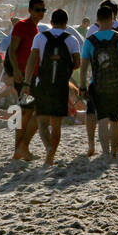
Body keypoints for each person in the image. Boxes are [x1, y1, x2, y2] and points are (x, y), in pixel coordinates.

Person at [80, 1, 118, 160]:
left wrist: (82, 86)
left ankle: (106, 152)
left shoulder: (90, 40)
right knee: (117, 119)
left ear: (97, 20)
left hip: (98, 85)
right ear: (112, 19)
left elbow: (84, 66)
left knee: (102, 119)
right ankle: (116, 150)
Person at [19, 9, 81, 166]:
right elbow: (77, 63)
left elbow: (32, 61)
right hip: (61, 86)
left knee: (42, 122)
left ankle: (47, 148)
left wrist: (27, 83)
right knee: (57, 124)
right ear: (66, 24)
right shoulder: (72, 40)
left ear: (51, 22)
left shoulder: (40, 37)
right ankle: (51, 155)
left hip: (43, 84)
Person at [8, 0, 45, 161]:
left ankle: (20, 149)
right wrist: (15, 70)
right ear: (30, 10)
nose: (40, 13)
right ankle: (20, 148)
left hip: (32, 77)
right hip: (23, 77)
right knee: (27, 111)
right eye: (38, 10)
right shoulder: (21, 26)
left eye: (43, 10)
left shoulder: (37, 29)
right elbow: (11, 51)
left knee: (27, 112)